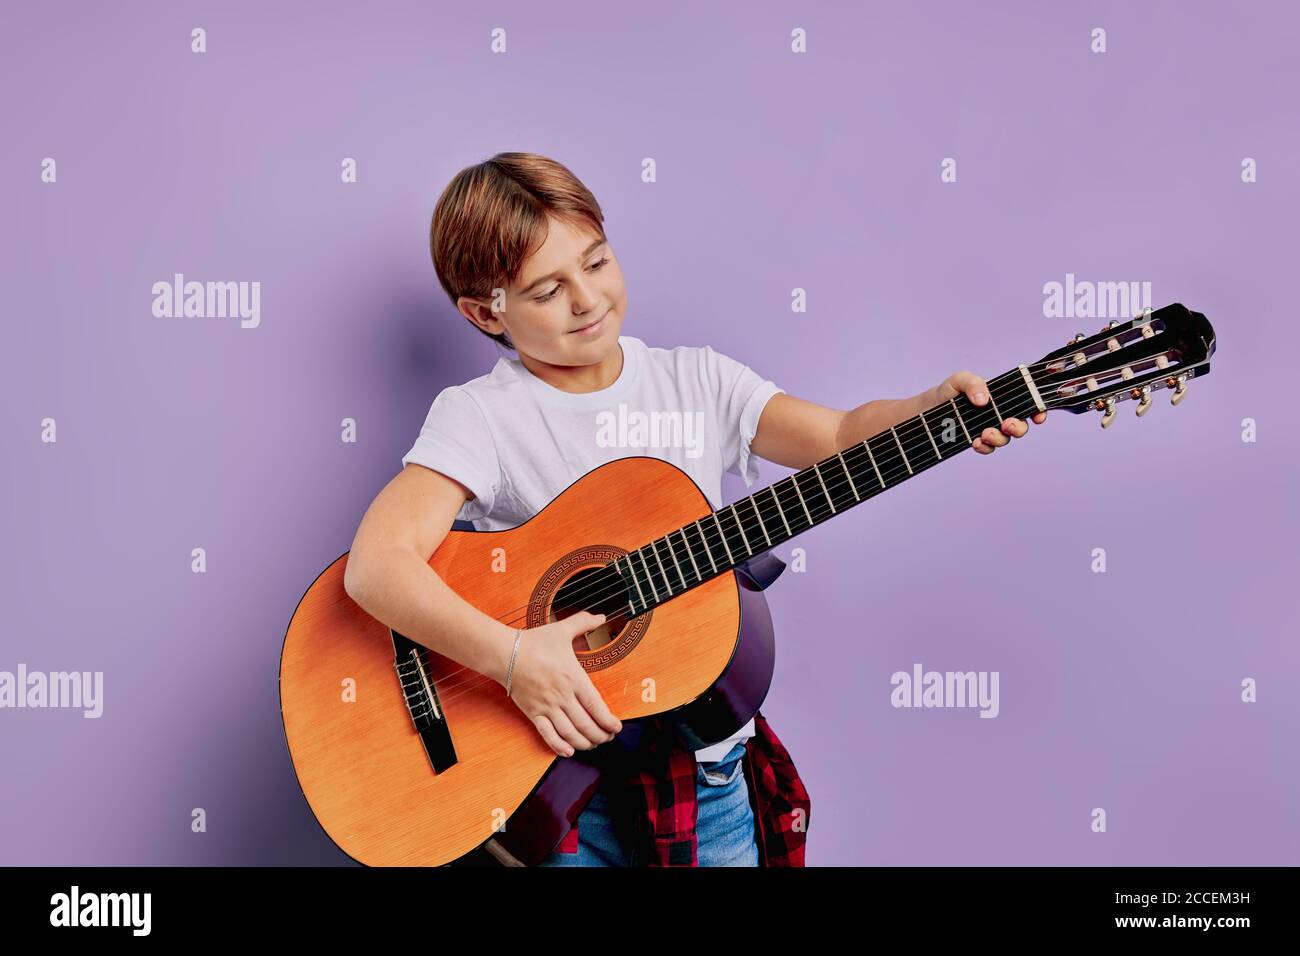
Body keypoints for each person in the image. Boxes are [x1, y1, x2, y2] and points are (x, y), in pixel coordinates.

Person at [342, 152, 1047, 867]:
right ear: (483, 311)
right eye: (547, 289)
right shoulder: (482, 417)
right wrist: (515, 658)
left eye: (597, 262)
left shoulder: (696, 381)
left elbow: (836, 437)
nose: (587, 299)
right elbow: (376, 567)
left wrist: (927, 410)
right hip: (558, 788)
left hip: (704, 782)